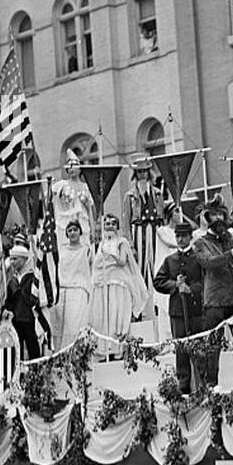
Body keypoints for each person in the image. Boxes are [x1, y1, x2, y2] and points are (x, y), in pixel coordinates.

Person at [192, 196, 233, 384]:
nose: (218, 218)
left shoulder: (232, 238)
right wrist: (232, 252)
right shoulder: (200, 242)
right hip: (215, 301)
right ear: (207, 218)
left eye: (221, 214)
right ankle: (212, 387)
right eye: (214, 215)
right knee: (212, 348)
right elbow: (208, 263)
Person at [152, 219, 204, 395]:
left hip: (196, 310)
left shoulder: (198, 258)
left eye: (184, 236)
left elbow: (206, 281)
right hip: (177, 312)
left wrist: (191, 289)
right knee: (180, 348)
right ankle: (183, 382)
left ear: (191, 237)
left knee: (198, 346)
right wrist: (174, 285)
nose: (181, 239)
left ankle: (201, 382)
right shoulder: (170, 260)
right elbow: (158, 282)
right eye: (178, 236)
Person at [90, 213, 148, 357]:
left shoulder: (121, 242)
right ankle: (105, 349)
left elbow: (122, 261)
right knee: (105, 316)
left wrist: (111, 255)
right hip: (104, 283)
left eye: (112, 223)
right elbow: (97, 264)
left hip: (118, 283)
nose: (109, 226)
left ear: (117, 227)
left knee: (117, 315)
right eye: (107, 224)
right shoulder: (102, 244)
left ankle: (118, 349)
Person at [123, 153, 169, 302]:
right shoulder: (130, 196)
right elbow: (126, 222)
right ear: (135, 174)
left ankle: (158, 300)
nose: (142, 175)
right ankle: (141, 303)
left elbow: (163, 217)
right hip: (139, 231)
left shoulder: (157, 193)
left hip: (155, 230)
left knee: (157, 264)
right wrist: (130, 243)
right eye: (139, 172)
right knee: (140, 268)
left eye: (144, 171)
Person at [54, 219, 94, 348]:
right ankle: (60, 356)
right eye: (69, 230)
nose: (72, 233)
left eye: (75, 230)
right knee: (60, 326)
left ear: (80, 232)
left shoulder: (86, 250)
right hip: (62, 290)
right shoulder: (62, 249)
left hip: (78, 290)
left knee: (76, 325)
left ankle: (77, 354)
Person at [1, 243, 42, 360]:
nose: (12, 262)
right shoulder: (12, 281)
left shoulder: (33, 278)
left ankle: (36, 372)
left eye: (15, 258)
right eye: (11, 259)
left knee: (33, 348)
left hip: (30, 318)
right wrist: (6, 310)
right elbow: (9, 301)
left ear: (24, 259)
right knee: (17, 350)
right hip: (16, 319)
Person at [51, 151, 96, 249]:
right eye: (69, 166)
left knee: (84, 249)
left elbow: (90, 211)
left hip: (82, 223)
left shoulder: (86, 187)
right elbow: (49, 196)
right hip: (65, 224)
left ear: (80, 169)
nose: (72, 169)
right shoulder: (61, 185)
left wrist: (93, 229)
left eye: (74, 166)